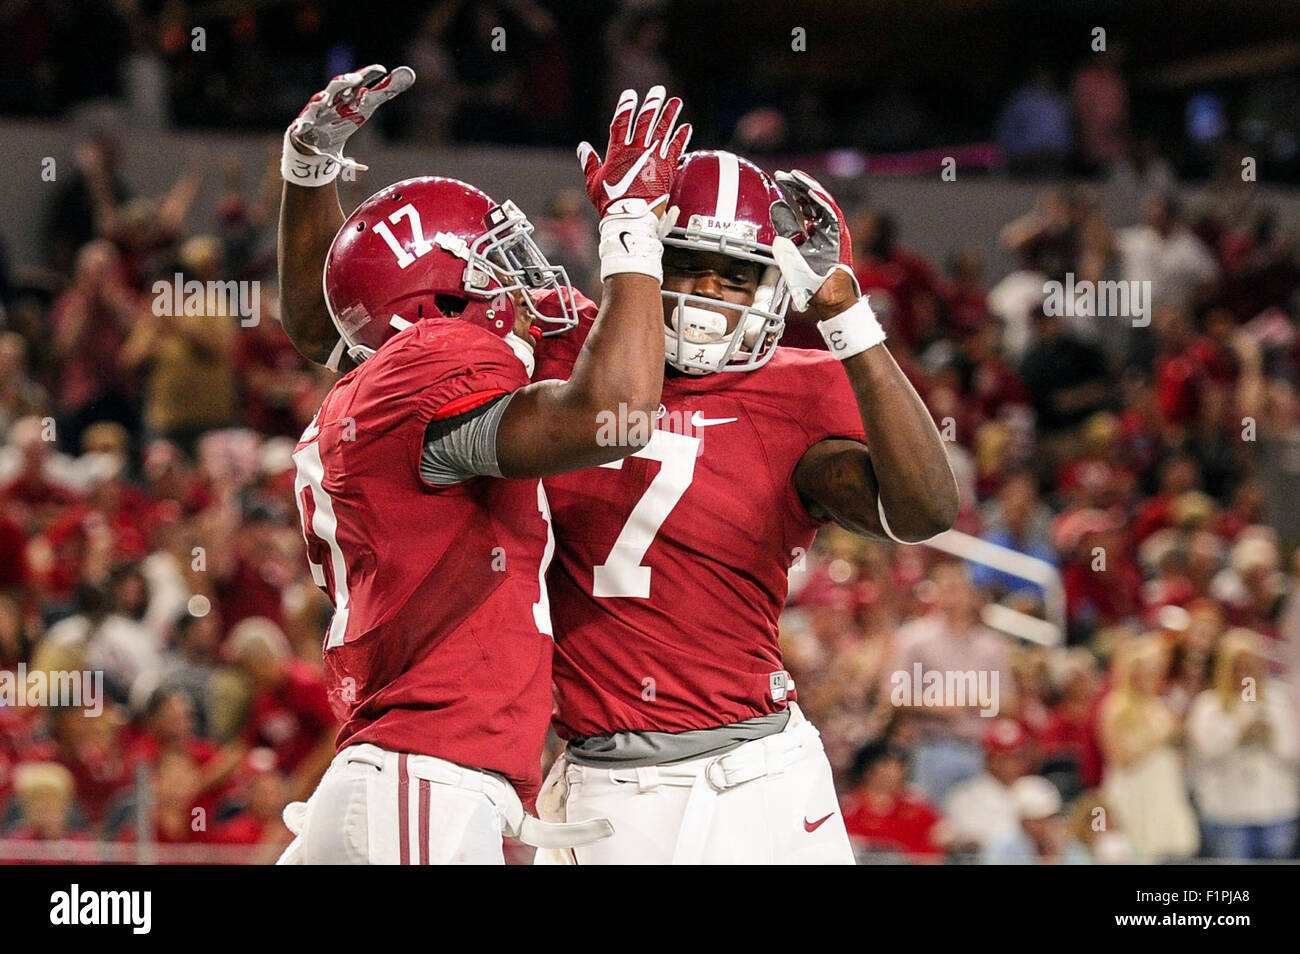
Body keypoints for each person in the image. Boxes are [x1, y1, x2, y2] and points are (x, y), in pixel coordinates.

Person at [277, 69, 959, 864]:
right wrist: (309, 171)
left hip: (757, 769)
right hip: (603, 781)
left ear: (779, 287)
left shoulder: (796, 386)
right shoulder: (566, 341)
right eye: (688, 263)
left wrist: (847, 313)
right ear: (644, 256)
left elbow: (925, 509)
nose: (708, 292)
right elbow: (352, 326)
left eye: (736, 275)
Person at [275, 67, 691, 864]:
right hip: (428, 774)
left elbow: (325, 324)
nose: (525, 278)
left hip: (412, 769)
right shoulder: (434, 362)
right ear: (444, 301)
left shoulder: (385, 383)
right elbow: (620, 414)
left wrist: (308, 168)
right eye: (498, 262)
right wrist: (632, 229)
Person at [1187, 629, 1298, 859]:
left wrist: (1271, 739)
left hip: (1276, 809)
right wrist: (1238, 735)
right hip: (1228, 813)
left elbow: (1293, 752)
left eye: (1251, 664)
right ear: (1226, 667)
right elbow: (1206, 753)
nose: (1246, 672)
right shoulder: (1208, 705)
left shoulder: (1278, 700)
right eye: (1239, 665)